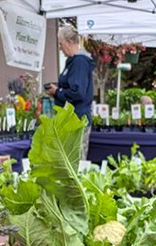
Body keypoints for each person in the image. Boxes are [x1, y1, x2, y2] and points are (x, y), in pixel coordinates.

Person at [46, 24, 95, 158]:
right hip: (71, 120)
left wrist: (57, 92)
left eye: (61, 44)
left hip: (76, 120)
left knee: (74, 161)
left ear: (70, 42)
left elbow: (77, 92)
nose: (60, 48)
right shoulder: (74, 62)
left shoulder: (79, 62)